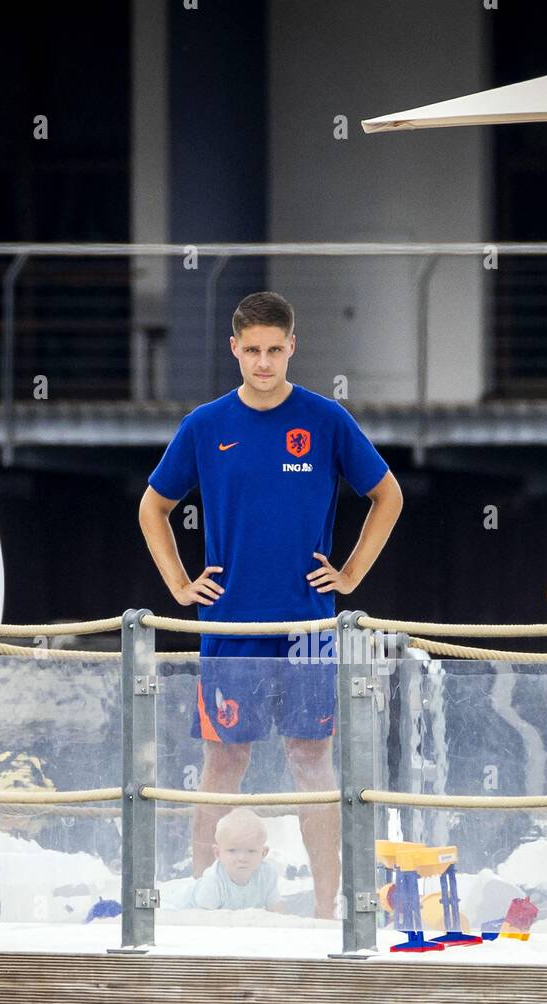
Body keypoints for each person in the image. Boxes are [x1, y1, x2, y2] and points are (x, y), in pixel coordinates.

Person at [139, 291, 403, 918]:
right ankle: (208, 903)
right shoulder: (205, 425)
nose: (263, 363)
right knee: (222, 762)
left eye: (275, 350)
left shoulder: (326, 419)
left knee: (311, 762)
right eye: (252, 351)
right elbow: (153, 506)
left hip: (309, 625)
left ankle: (323, 909)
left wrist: (351, 574)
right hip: (228, 624)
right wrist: (179, 585)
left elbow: (386, 495)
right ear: (234, 349)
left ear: (292, 347)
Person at [164, 808, 283, 913]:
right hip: (181, 905)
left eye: (251, 851)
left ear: (264, 853)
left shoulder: (268, 875)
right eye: (232, 851)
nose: (242, 858)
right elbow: (203, 918)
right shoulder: (213, 880)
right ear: (217, 853)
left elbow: (277, 908)